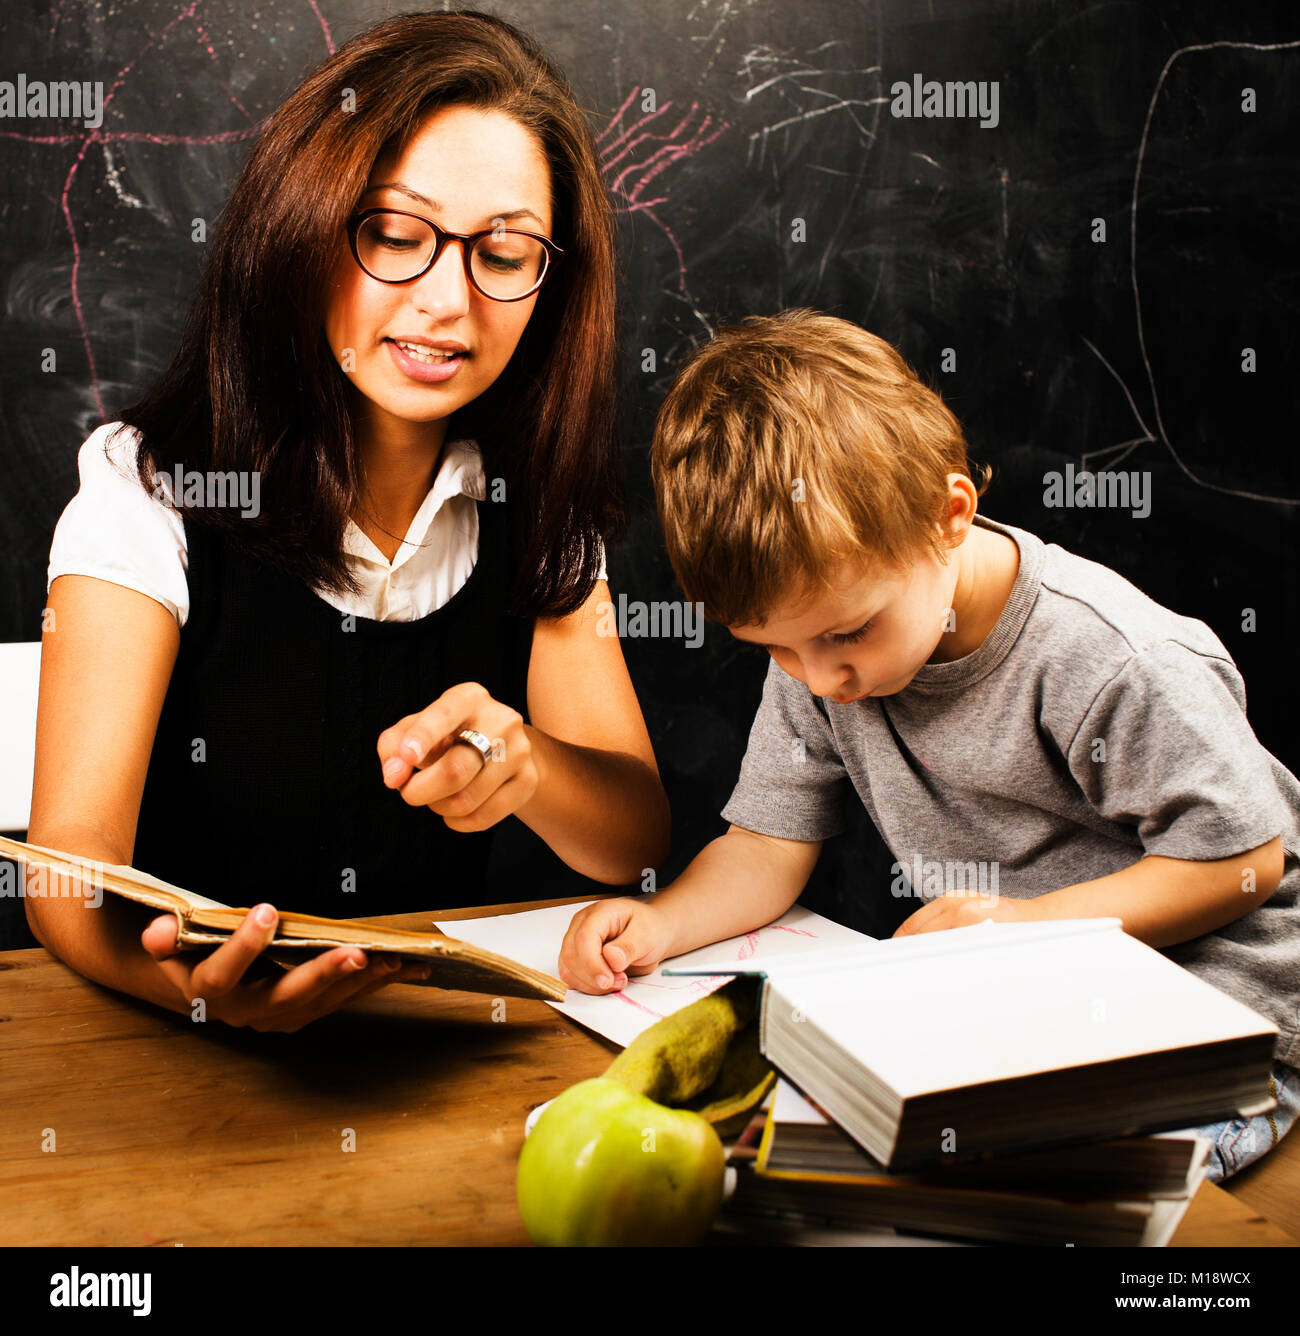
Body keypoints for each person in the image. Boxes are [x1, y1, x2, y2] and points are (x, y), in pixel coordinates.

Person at [24, 11, 669, 1032]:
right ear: (305, 230)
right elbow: (66, 869)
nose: (449, 300)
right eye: (397, 236)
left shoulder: (531, 505)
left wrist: (530, 767)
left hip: (425, 1048)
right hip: (169, 1051)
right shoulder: (147, 488)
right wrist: (192, 994)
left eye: (504, 253)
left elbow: (632, 839)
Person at [558, 307, 1300, 1183]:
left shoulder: (1111, 659)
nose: (819, 679)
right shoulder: (817, 654)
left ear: (948, 516)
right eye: (775, 649)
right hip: (1016, 1007)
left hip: (1209, 1018)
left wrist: (1027, 930)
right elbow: (766, 845)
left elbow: (1244, 863)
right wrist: (661, 921)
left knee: (1067, 1188)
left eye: (846, 635)